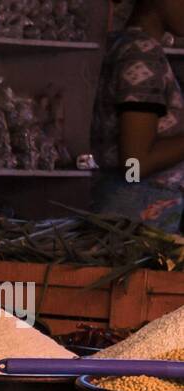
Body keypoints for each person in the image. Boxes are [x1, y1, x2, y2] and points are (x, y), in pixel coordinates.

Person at [91, 0, 184, 230]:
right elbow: (135, 164)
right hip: (134, 219)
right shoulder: (141, 54)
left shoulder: (120, 44)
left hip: (120, 212)